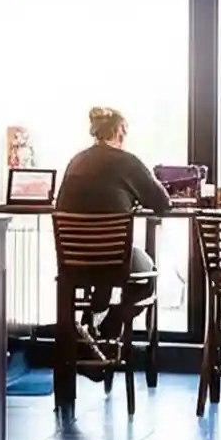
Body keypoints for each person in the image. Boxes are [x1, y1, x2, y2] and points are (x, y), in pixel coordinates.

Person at [54, 107, 172, 365]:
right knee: (146, 275)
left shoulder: (75, 162)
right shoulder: (128, 162)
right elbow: (163, 203)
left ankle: (90, 334)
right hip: (113, 258)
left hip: (74, 261)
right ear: (119, 132)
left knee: (109, 264)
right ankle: (110, 328)